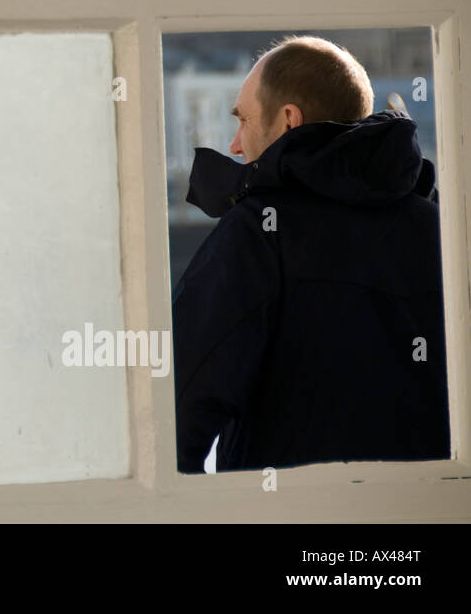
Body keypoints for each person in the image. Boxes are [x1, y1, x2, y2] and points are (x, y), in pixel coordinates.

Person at [172, 35, 449, 473]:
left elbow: (182, 402)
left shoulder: (260, 233)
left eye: (243, 120)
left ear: (288, 120)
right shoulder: (439, 231)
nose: (235, 145)